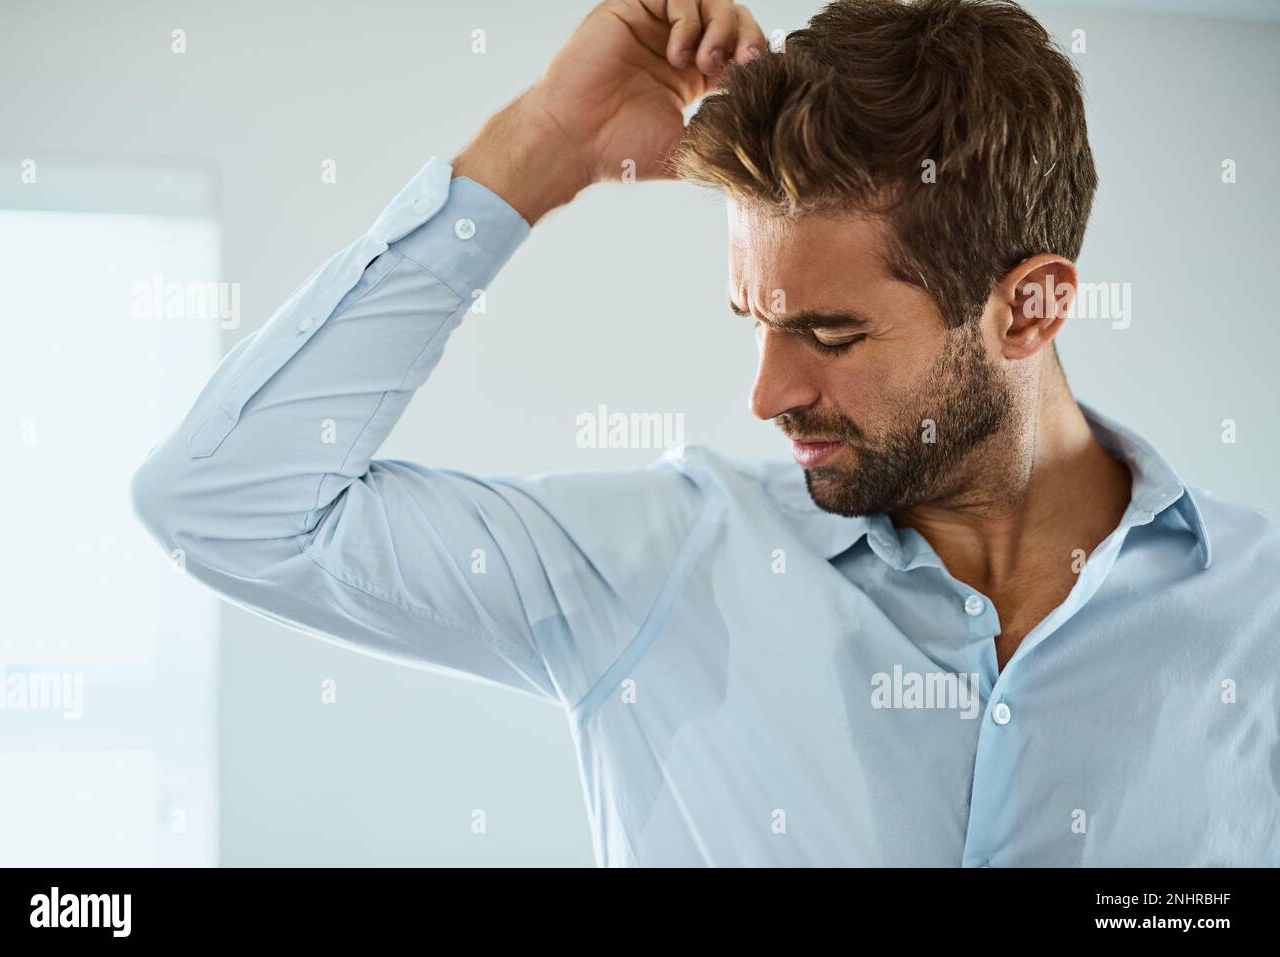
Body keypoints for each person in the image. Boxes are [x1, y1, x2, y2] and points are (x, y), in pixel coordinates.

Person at [130, 0, 1280, 866]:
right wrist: (545, 143)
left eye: (830, 333)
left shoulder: (1260, 621)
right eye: (757, 322)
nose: (766, 393)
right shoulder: (653, 568)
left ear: (1028, 306)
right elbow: (225, 504)